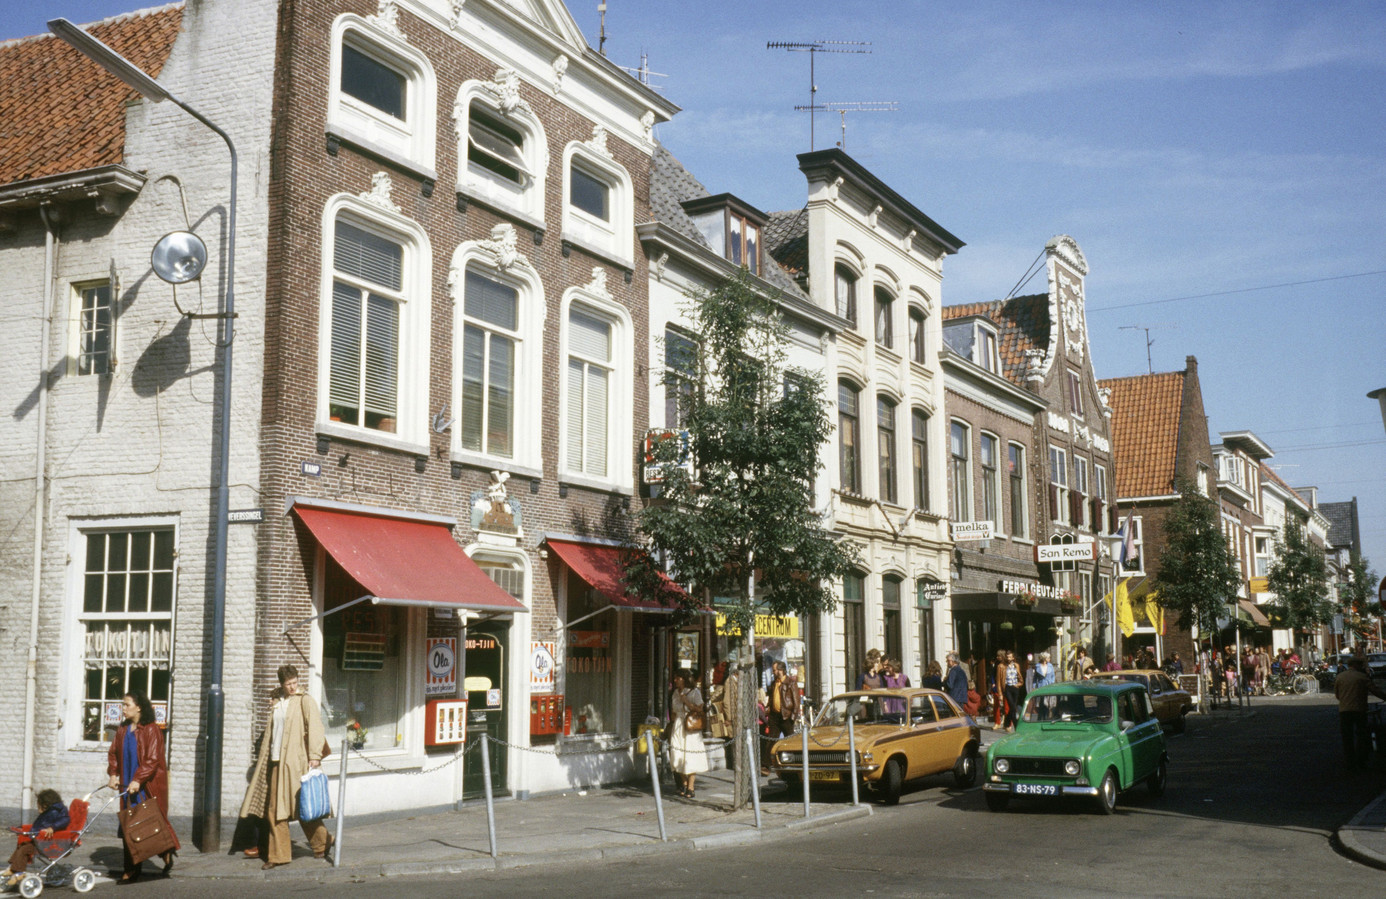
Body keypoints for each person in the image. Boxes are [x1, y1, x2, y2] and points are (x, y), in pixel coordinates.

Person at [239, 665, 331, 870]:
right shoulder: (278, 702)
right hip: (276, 763)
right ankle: (278, 855)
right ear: (281, 684)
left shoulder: (305, 700)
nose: (292, 687)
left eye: (295, 682)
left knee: (302, 807)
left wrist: (315, 756)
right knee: (275, 811)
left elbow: (316, 727)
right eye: (288, 684)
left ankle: (323, 842)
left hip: (296, 763)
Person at [107, 691, 178, 883]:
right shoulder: (122, 729)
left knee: (148, 822)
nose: (123, 708)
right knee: (129, 824)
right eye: (122, 704)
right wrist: (113, 774)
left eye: (126, 705)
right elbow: (113, 752)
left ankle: (164, 848)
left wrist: (138, 779)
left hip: (146, 785)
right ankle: (131, 869)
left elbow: (152, 759)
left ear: (139, 707)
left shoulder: (151, 729)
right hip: (127, 783)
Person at [3, 789, 69, 888]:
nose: (37, 807)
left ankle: (19, 872)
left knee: (24, 849)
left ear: (45, 804)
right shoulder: (51, 812)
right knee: (22, 846)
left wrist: (52, 827)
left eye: (39, 805)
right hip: (40, 840)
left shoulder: (55, 812)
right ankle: (13, 868)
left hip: (48, 843)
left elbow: (65, 820)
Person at [1335, 655, 1386, 772]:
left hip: (1344, 710)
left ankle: (1349, 761)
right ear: (1357, 665)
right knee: (1362, 735)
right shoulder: (1362, 677)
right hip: (1359, 709)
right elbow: (1375, 690)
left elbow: (1337, 694)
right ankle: (1361, 760)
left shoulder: (1340, 677)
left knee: (1347, 737)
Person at [668, 670, 709, 798]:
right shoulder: (675, 693)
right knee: (677, 754)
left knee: (691, 756)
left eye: (677, 678)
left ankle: (691, 787)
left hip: (691, 728)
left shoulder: (694, 692)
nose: (675, 680)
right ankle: (684, 784)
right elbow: (674, 711)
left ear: (684, 679)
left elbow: (700, 709)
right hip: (678, 726)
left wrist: (686, 702)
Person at [764, 661, 800, 739]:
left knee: (790, 740)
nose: (773, 672)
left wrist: (792, 718)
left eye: (774, 670)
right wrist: (768, 710)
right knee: (772, 741)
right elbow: (771, 698)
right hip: (774, 716)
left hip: (786, 716)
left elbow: (796, 702)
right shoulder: (774, 683)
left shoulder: (790, 683)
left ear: (780, 670)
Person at [1002, 651, 1022, 732]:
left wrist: (1019, 684)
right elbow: (1000, 680)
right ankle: (1016, 727)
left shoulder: (1016, 665)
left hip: (1015, 687)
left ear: (1013, 657)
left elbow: (1019, 676)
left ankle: (1006, 723)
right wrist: (1000, 692)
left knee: (1013, 707)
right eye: (1007, 657)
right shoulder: (1003, 666)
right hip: (1008, 687)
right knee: (1012, 706)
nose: (1008, 658)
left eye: (1010, 657)